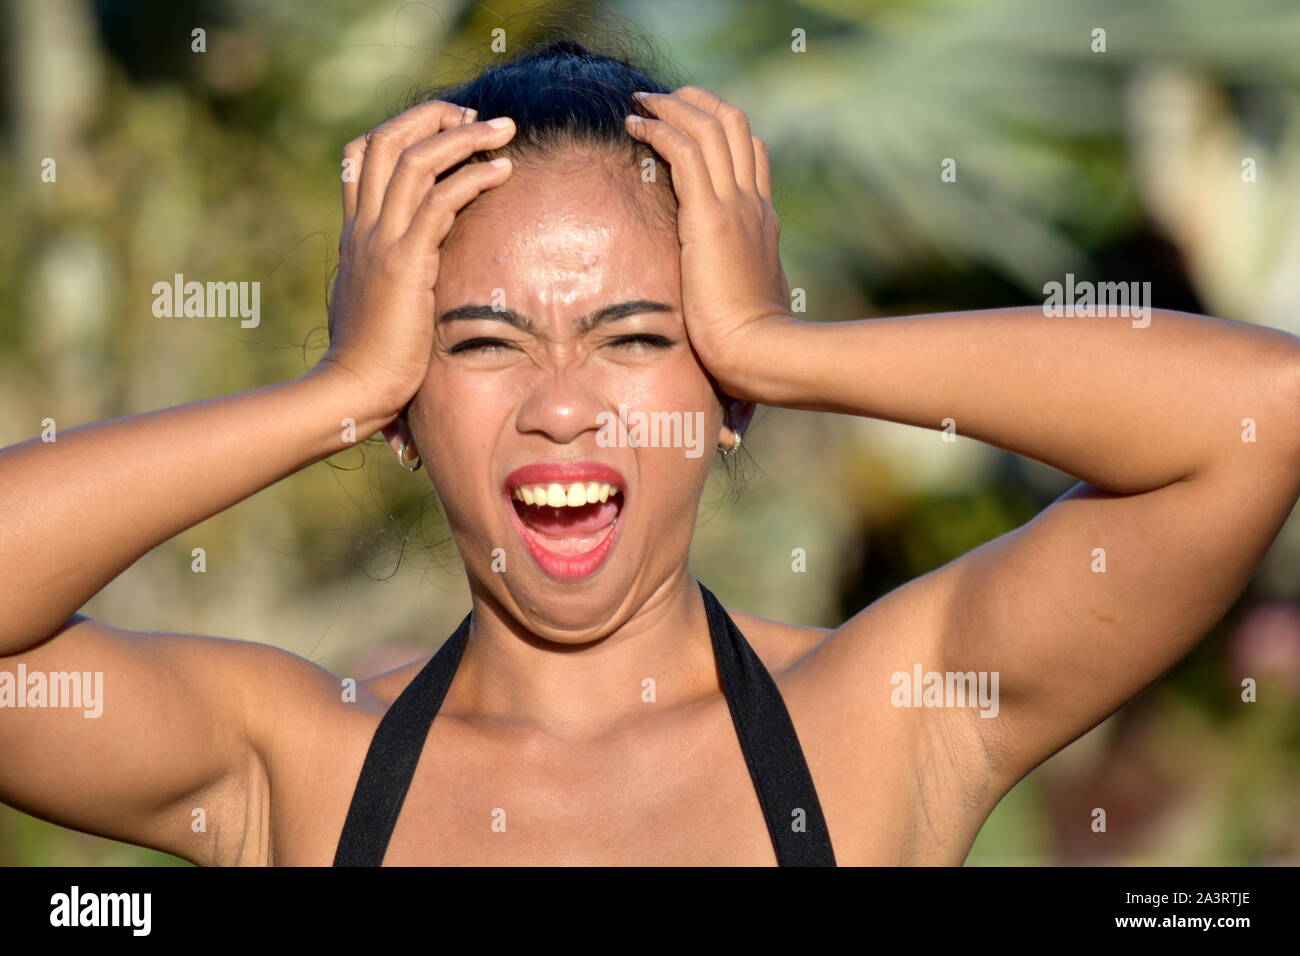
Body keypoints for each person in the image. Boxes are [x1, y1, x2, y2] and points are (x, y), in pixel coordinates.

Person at [2, 40, 1299, 866]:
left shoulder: (884, 721)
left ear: (723, 395)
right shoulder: (300, 764)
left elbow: (1258, 413)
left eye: (634, 337)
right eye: (481, 344)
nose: (563, 408)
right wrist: (334, 388)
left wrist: (786, 349)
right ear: (404, 411)